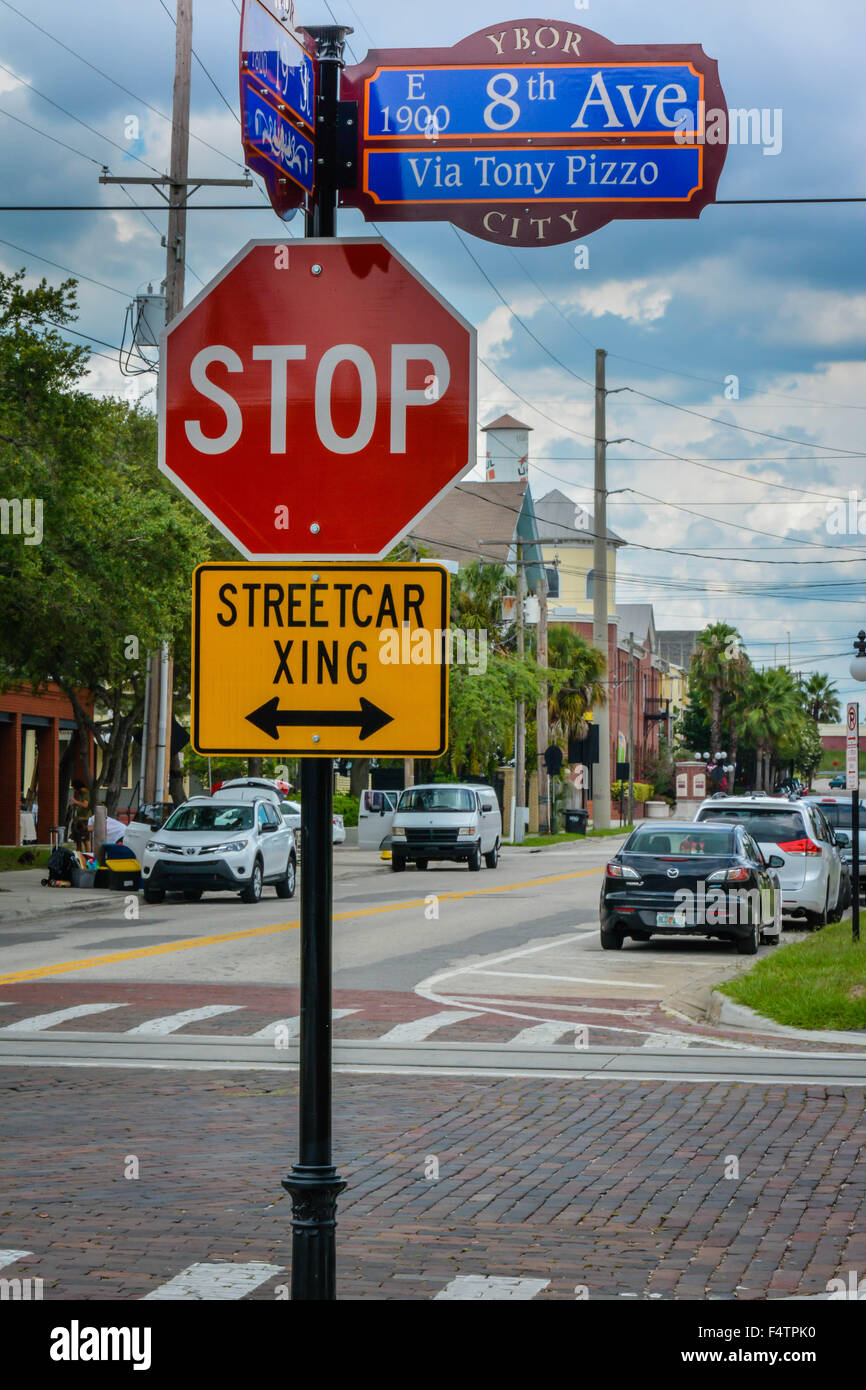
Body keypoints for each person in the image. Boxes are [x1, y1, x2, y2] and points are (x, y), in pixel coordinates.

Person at [69, 780, 90, 851]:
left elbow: (85, 805)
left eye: (75, 788)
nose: (75, 790)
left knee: (86, 839)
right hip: (79, 819)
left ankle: (88, 858)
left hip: (84, 819)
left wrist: (75, 801)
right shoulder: (81, 794)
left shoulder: (86, 793)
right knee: (78, 840)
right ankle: (79, 857)